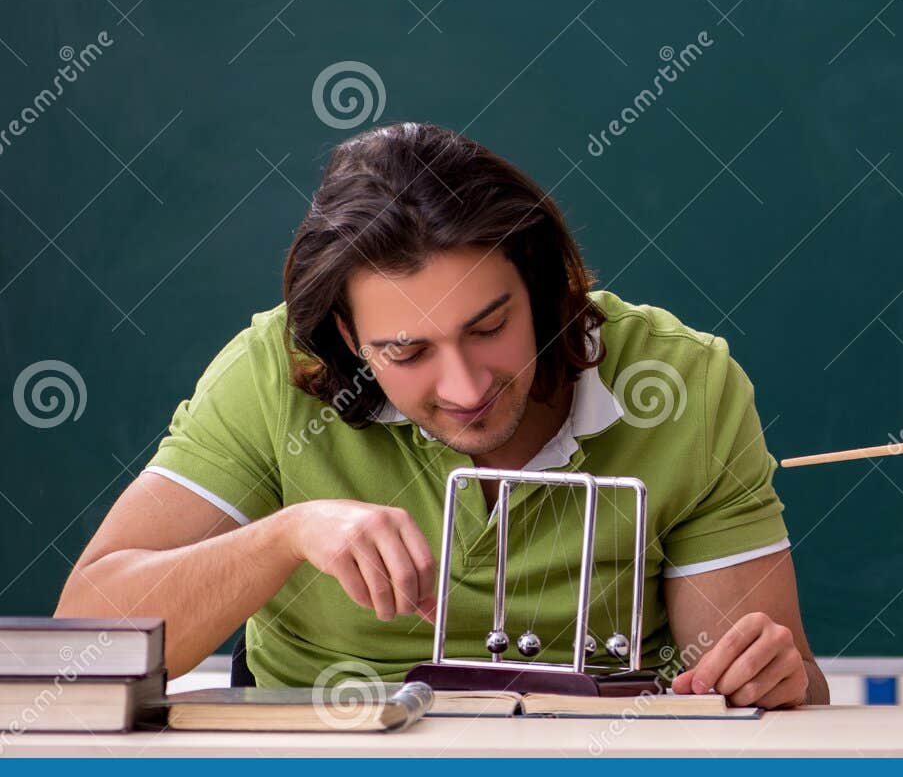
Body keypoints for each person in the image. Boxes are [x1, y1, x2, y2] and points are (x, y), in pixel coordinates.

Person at [59, 122, 826, 708]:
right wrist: (284, 536)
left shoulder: (681, 383)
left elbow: (784, 687)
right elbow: (82, 648)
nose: (463, 387)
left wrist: (770, 678)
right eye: (406, 350)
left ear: (549, 289)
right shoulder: (277, 373)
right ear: (348, 339)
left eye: (490, 329)